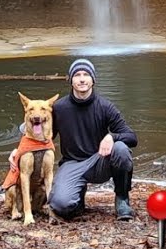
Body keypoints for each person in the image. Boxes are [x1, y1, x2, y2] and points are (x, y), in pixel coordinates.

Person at [10, 58, 137, 220]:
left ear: (93, 80)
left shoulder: (105, 107)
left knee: (121, 149)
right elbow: (38, 132)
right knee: (60, 206)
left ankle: (122, 199)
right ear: (71, 80)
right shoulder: (59, 108)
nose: (82, 79)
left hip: (100, 161)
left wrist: (112, 137)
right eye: (77, 75)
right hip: (72, 164)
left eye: (86, 75)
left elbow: (132, 137)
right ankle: (77, 197)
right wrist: (19, 150)